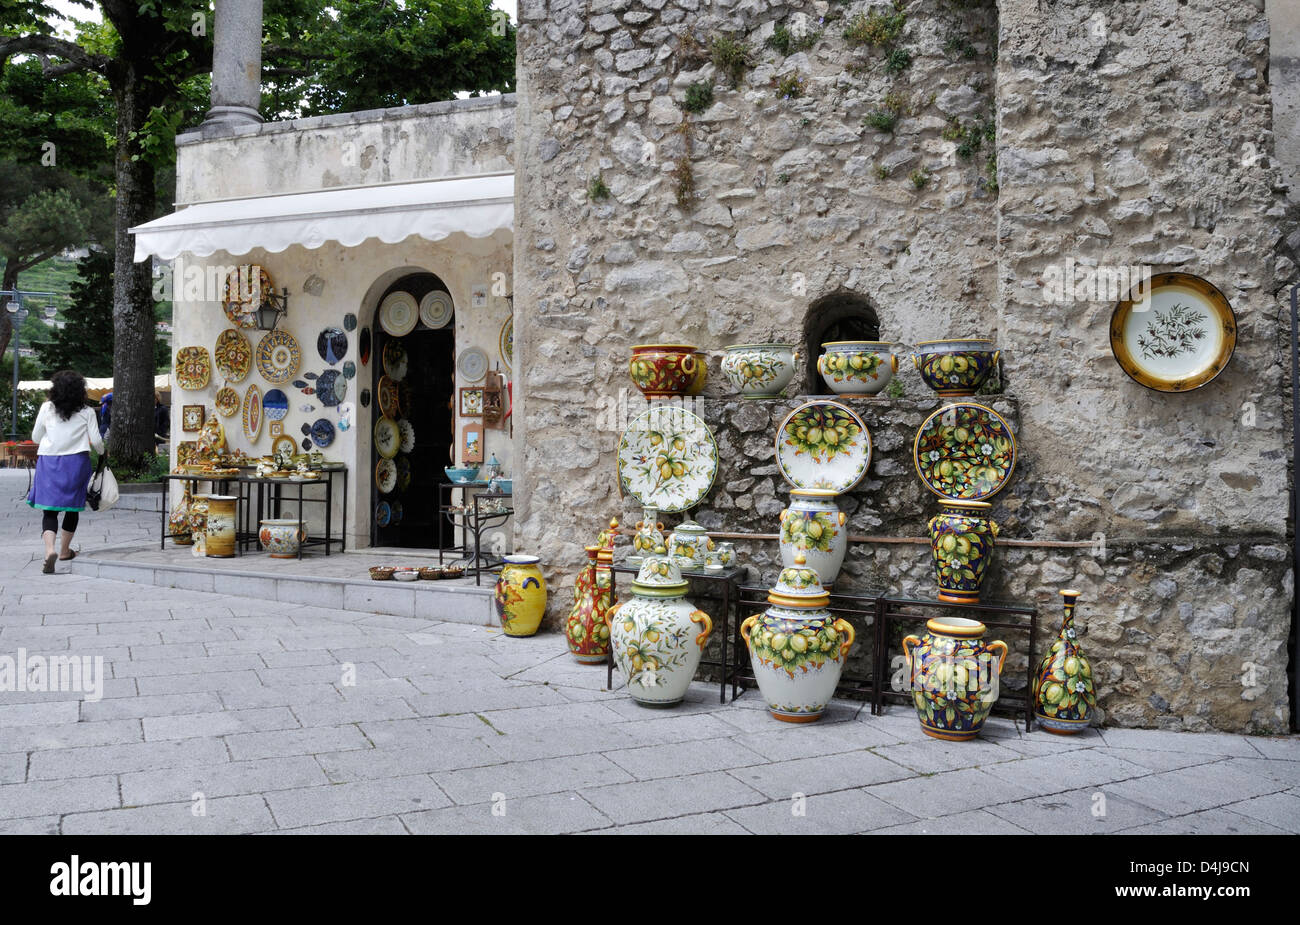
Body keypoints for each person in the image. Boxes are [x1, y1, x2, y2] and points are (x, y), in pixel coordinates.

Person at [27, 370, 105, 574]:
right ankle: (64, 551)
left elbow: (36, 437)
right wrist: (103, 454)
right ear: (81, 391)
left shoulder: (46, 408)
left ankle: (49, 550)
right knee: (72, 509)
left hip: (49, 461)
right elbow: (96, 441)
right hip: (76, 463)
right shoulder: (87, 411)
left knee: (49, 510)